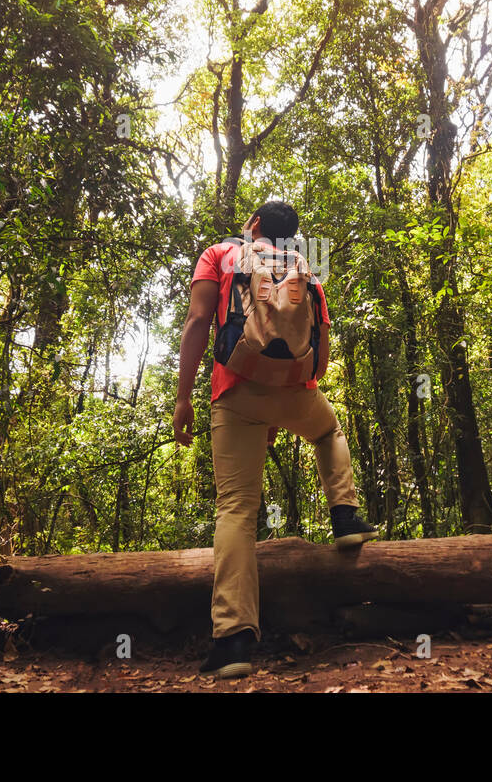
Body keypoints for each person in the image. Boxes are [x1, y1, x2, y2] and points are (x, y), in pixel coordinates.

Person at [173, 200, 378, 679]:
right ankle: (345, 516)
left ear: (256, 224)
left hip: (234, 390)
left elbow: (199, 322)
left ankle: (233, 643)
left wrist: (183, 398)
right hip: (294, 392)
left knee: (237, 511)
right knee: (329, 430)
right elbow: (318, 346)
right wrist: (286, 395)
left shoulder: (220, 252)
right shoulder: (305, 268)